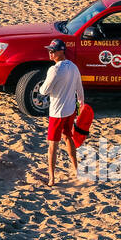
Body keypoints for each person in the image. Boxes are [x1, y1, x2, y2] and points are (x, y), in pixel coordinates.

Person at [37, 40, 84, 186]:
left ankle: (51, 179)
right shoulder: (74, 67)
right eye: (49, 50)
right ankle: (76, 169)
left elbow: (44, 90)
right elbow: (79, 89)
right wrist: (81, 106)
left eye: (53, 51)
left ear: (61, 51)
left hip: (57, 112)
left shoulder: (54, 70)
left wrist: (45, 87)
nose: (50, 53)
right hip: (70, 110)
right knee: (68, 137)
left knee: (53, 145)